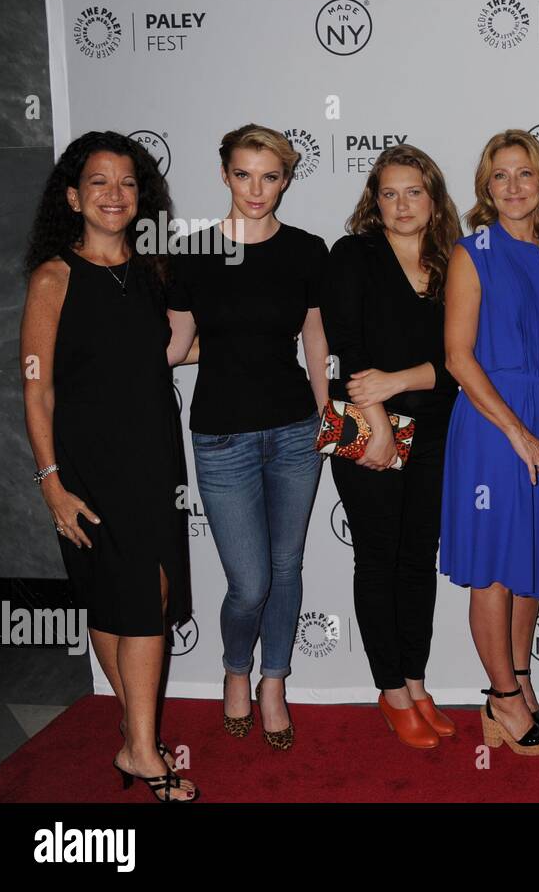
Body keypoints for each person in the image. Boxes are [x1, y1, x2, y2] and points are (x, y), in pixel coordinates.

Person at [20, 131, 198, 801]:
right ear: (73, 195)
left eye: (127, 182)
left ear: (141, 195)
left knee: (136, 595)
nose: (114, 194)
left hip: (155, 454)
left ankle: (133, 732)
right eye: (98, 181)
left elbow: (170, 349)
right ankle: (145, 750)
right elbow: (37, 386)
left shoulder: (154, 271)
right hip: (89, 462)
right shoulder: (54, 277)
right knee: (131, 596)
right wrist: (52, 483)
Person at [166, 124, 328, 751]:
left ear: (286, 179)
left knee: (287, 568)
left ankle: (275, 683)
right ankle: (236, 670)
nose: (256, 189)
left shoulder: (307, 250)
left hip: (295, 430)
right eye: (243, 174)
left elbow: (315, 339)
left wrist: (326, 417)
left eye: (270, 176)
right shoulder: (192, 252)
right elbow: (177, 344)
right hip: (222, 437)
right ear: (224, 175)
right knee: (250, 583)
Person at [441, 130, 539, 757]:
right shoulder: (471, 252)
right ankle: (499, 695)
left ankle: (521, 679)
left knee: (530, 565)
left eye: (524, 174)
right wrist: (522, 435)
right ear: (485, 187)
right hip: (491, 427)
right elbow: (457, 357)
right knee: (495, 571)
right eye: (499, 176)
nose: (512, 187)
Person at [320, 145, 462, 748]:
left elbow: (462, 362)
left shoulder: (456, 261)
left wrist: (402, 380)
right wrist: (377, 420)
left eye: (414, 192)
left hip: (436, 427)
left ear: (434, 199)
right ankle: (390, 690)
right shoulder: (353, 254)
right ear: (373, 202)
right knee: (377, 557)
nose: (402, 205)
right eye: (389, 193)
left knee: (416, 559)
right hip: (364, 423)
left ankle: (416, 679)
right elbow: (346, 346)